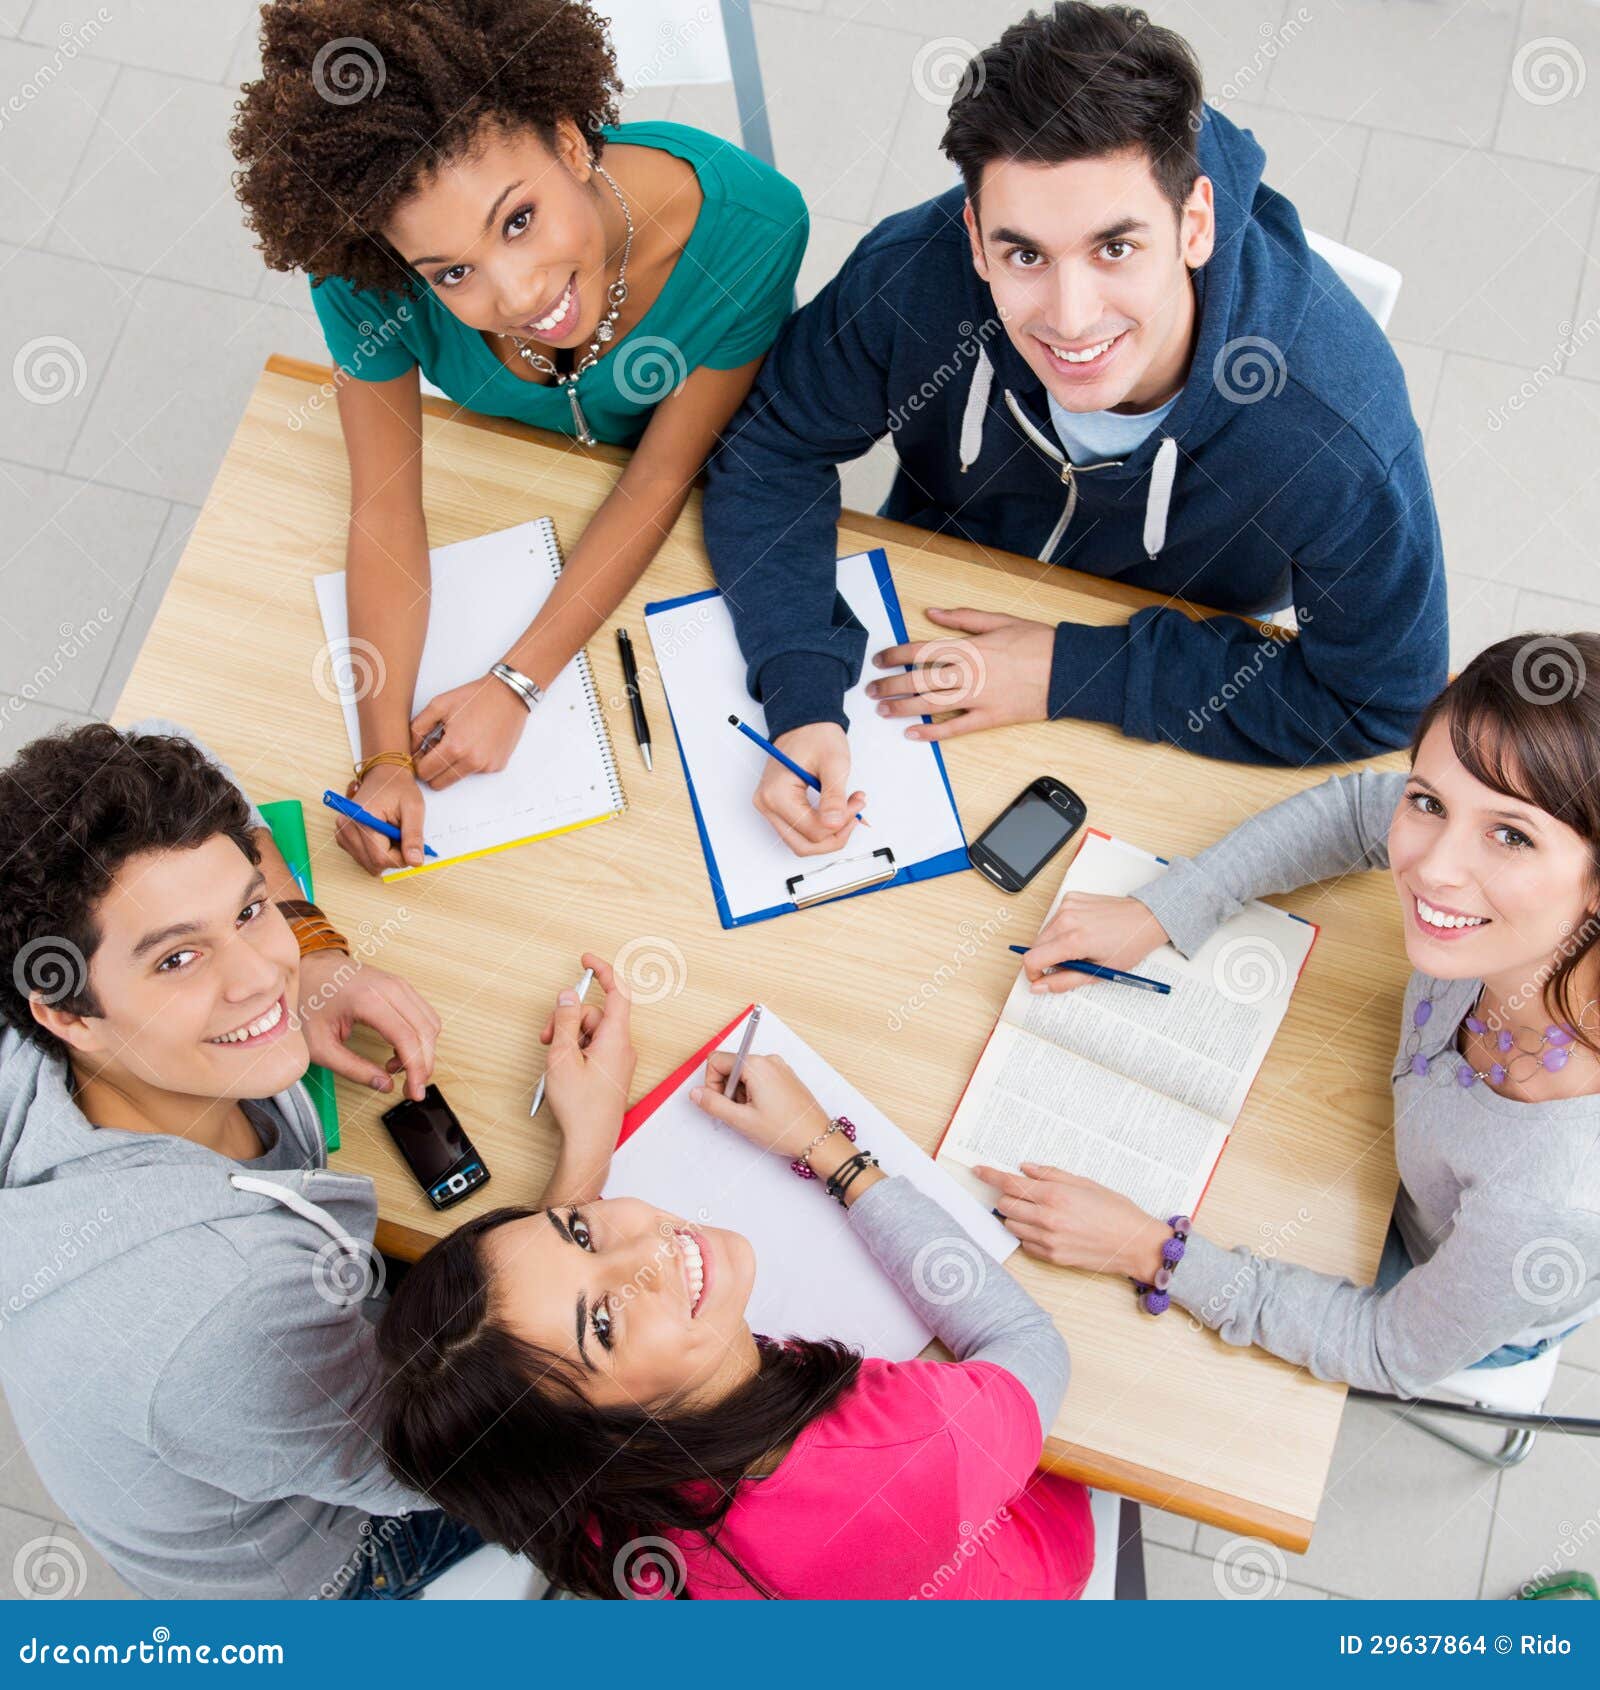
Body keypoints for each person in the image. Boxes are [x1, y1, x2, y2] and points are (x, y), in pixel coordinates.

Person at [701, 1, 1446, 859]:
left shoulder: (1335, 426)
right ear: (975, 238)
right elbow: (768, 446)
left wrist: (1072, 670)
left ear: (1195, 224)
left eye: (1114, 249)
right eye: (1025, 255)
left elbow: (1379, 699)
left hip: (1173, 668)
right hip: (931, 613)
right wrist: (800, 692)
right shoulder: (916, 274)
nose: (1070, 317)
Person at [231, 0, 807, 874]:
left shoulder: (749, 229)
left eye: (519, 219)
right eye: (453, 273)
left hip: (697, 498)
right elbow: (384, 508)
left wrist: (516, 684)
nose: (518, 295)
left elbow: (659, 479)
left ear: (571, 143)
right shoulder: (365, 276)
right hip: (520, 480)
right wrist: (384, 758)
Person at [984, 634, 1600, 1396]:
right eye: (1429, 802)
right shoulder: (1503, 914)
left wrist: (1149, 1250)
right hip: (1381, 1151)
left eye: (1511, 835)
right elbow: (1356, 812)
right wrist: (1169, 906)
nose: (1434, 868)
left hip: (1437, 1273)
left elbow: (1386, 1349)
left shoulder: (1553, 1199)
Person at [377, 965, 1093, 1599]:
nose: (650, 1251)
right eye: (604, 1323)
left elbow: (526, 1333)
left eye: (582, 1232)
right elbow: (1025, 1341)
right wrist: (829, 1152)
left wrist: (589, 1138)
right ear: (607, 1439)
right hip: (1027, 1543)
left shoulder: (558, 1490)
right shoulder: (901, 1455)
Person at [0, 719, 473, 1599]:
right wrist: (581, 1177)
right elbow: (451, 1461)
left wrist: (319, 950)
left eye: (250, 912)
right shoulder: (224, 1311)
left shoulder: (52, 1018)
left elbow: (179, 743)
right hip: (334, 1559)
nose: (260, 978)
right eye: (179, 958)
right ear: (64, 1013)